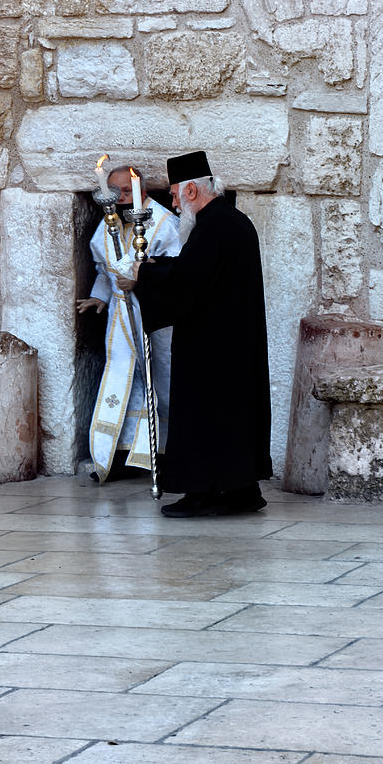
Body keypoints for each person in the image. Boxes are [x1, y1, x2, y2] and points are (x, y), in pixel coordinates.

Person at [130, 150, 272, 517]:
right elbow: (198, 270)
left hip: (211, 349)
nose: (173, 204)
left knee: (204, 415)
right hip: (232, 344)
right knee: (233, 417)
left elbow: (187, 282)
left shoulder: (213, 227)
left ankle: (201, 492)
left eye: (175, 195)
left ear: (192, 191)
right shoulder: (231, 221)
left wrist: (143, 275)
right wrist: (160, 266)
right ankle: (242, 490)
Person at [77, 165, 181, 482]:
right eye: (113, 192)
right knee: (124, 382)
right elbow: (106, 271)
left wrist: (143, 282)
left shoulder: (165, 223)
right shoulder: (109, 224)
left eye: (126, 191)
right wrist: (100, 297)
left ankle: (164, 455)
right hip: (119, 321)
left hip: (155, 320)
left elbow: (175, 273)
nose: (119, 198)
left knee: (160, 381)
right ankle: (120, 456)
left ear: (142, 193)